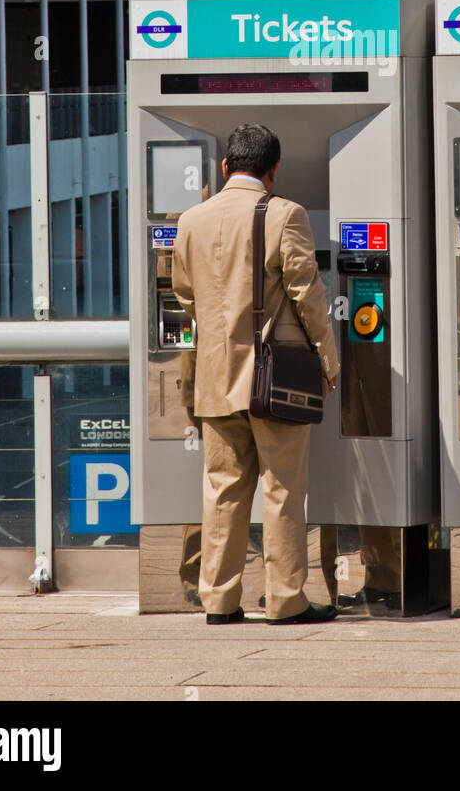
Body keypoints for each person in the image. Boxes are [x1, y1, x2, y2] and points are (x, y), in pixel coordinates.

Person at [172, 122, 340, 625]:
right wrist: (328, 361)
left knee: (223, 488)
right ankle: (286, 599)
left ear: (225, 167)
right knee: (282, 487)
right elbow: (308, 296)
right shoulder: (286, 213)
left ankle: (219, 600)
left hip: (215, 376)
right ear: (273, 171)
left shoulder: (191, 220)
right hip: (275, 378)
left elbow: (185, 295)